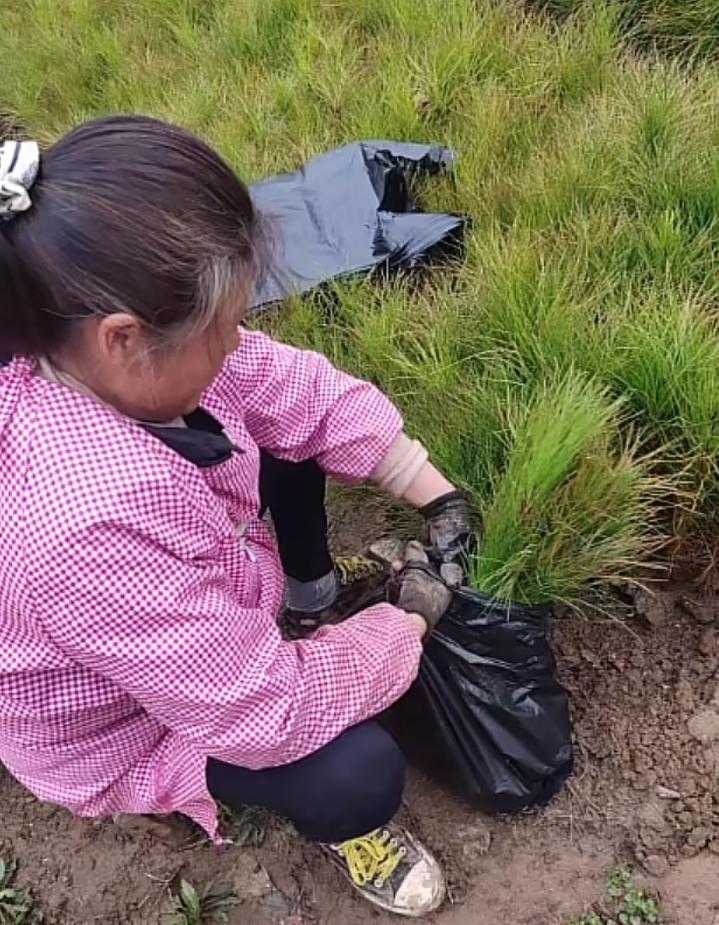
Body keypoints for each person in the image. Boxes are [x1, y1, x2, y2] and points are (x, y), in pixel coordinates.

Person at [0, 117, 472, 919]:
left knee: (279, 428)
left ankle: (309, 598)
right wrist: (406, 622)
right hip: (127, 720)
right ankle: (339, 824)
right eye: (220, 328)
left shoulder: (87, 345)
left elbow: (286, 386)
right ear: (124, 338)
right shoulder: (85, 529)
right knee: (355, 774)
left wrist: (430, 489)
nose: (235, 341)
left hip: (182, 617)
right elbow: (264, 711)